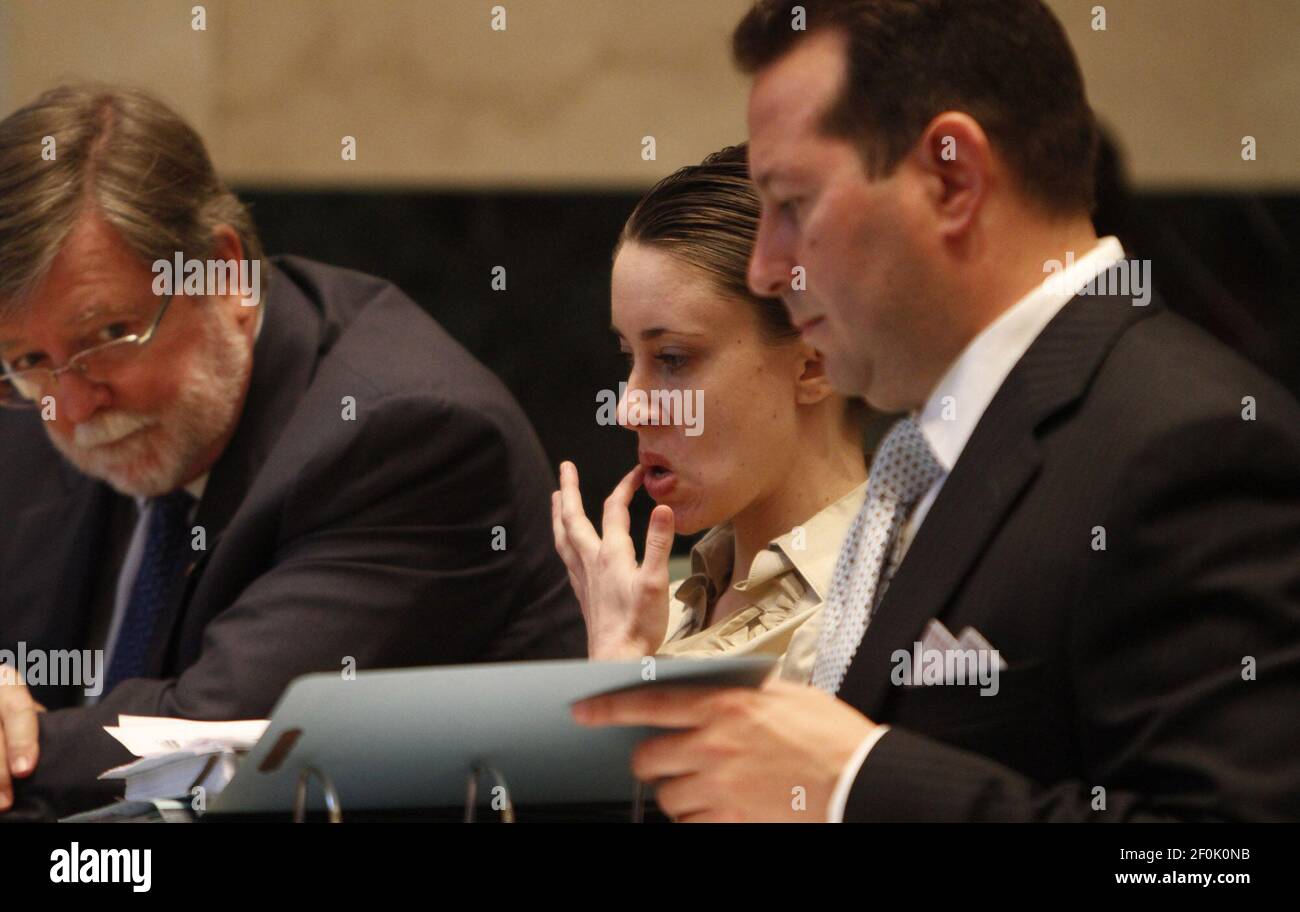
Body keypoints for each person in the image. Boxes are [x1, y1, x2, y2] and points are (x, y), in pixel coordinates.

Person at [573, 0, 1300, 822]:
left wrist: (858, 784)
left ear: (952, 178)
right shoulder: (927, 448)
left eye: (794, 205)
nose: (769, 268)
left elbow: (1223, 859)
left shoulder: (1191, 444)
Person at [0, 84, 583, 819]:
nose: (71, 405)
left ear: (224, 272)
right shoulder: (36, 401)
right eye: (24, 360)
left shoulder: (410, 437)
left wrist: (21, 746)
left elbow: (208, 740)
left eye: (109, 336)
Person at [552, 144, 869, 679]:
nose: (630, 408)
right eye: (629, 357)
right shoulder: (660, 608)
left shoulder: (882, 613)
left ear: (814, 365)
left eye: (672, 359)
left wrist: (619, 669)